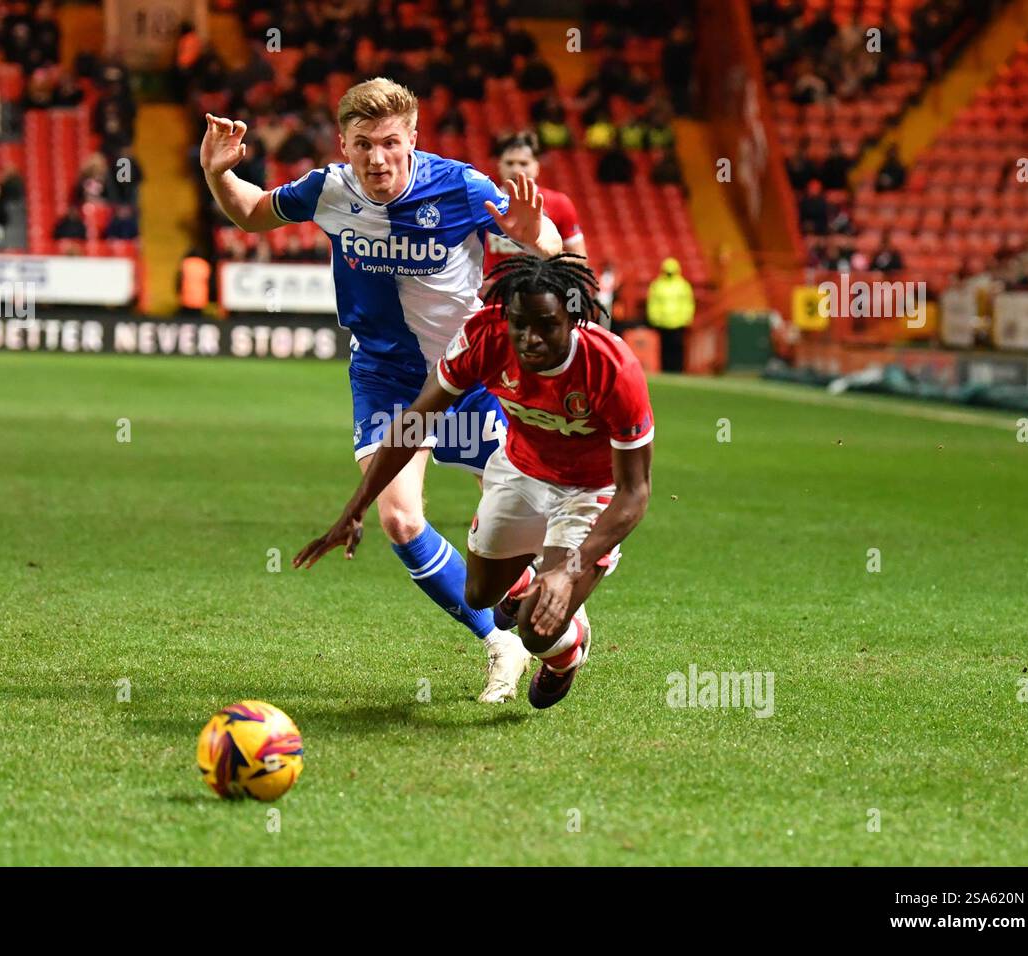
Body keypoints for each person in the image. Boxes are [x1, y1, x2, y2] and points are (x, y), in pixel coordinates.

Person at [200, 77, 565, 702]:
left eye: (390, 142)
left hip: (471, 378)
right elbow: (250, 211)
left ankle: (557, 632)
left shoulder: (463, 187)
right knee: (399, 519)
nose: (377, 158)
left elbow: (549, 245)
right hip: (386, 380)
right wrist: (218, 175)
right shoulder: (328, 190)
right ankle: (499, 641)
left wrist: (536, 233)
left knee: (514, 531)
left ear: (413, 139)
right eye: (363, 144)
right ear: (343, 144)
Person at [295, 254, 654, 709]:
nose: (530, 338)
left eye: (546, 325)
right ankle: (526, 582)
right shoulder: (485, 336)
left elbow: (635, 494)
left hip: (589, 493)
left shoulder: (612, 369)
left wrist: (567, 572)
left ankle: (567, 652)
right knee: (481, 595)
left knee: (536, 629)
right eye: (520, 324)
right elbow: (415, 420)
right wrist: (356, 506)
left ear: (573, 318)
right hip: (519, 470)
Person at [482, 132, 586, 292]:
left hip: (540, 299)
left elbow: (580, 262)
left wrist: (549, 255)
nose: (516, 169)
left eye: (523, 163)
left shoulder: (559, 203)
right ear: (499, 166)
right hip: (492, 299)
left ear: (536, 167)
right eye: (509, 163)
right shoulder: (484, 203)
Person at [646, 257, 695, 372]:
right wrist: (654, 317)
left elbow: (688, 303)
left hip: (678, 322)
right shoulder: (657, 285)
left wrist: (687, 317)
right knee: (664, 348)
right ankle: (665, 369)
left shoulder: (683, 285)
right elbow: (653, 303)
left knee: (677, 348)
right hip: (662, 322)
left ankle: (678, 369)